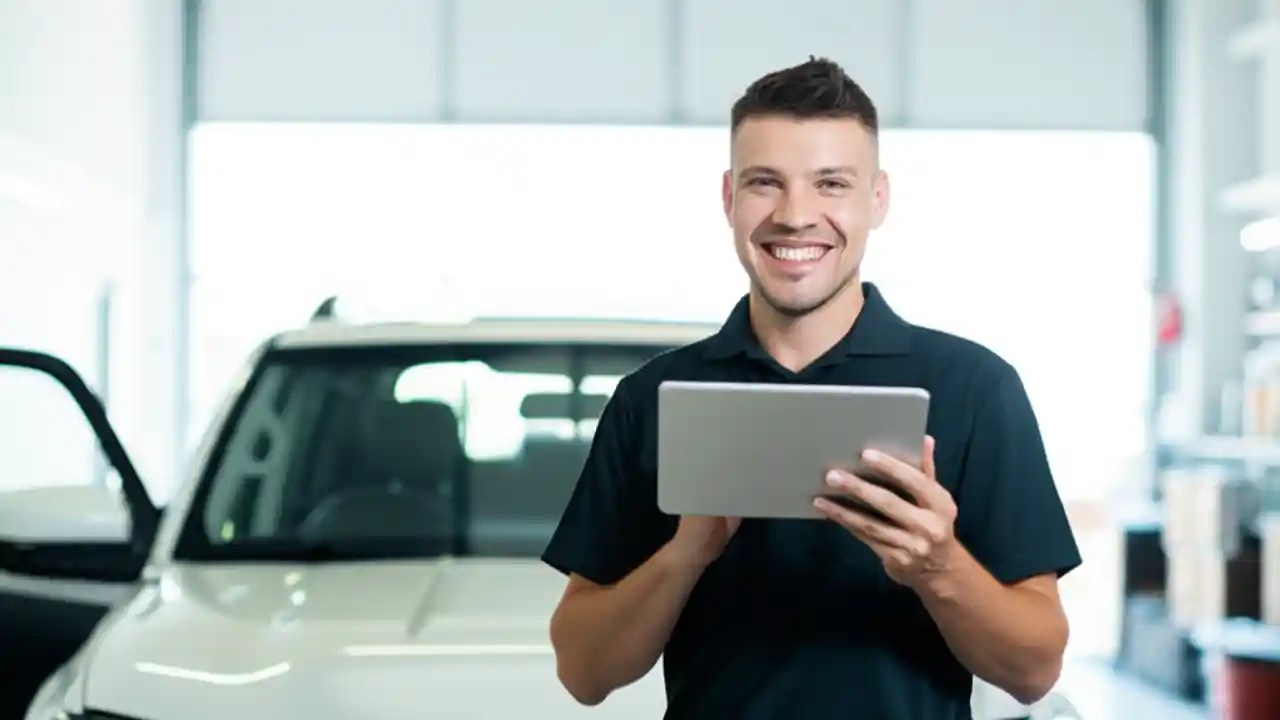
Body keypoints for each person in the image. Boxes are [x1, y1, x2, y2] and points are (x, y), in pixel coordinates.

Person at [541, 56, 1082, 719]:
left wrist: (936, 565)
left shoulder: (974, 390)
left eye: (831, 183)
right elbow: (584, 672)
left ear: (877, 199)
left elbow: (1034, 671)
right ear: (728, 198)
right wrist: (685, 557)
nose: (796, 216)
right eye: (765, 182)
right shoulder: (651, 399)